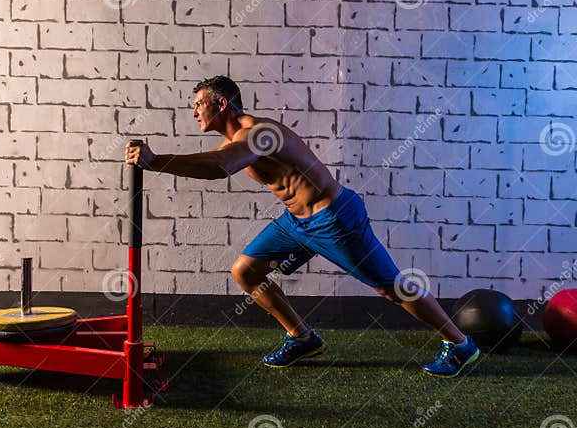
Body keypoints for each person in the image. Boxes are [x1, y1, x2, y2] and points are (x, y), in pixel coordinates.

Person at [124, 75, 480, 377]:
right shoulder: (234, 141)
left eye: (198, 103)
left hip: (335, 218)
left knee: (390, 288)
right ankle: (303, 337)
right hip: (297, 222)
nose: (193, 111)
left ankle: (460, 344)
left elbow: (220, 167)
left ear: (220, 103)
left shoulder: (258, 134)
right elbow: (219, 160)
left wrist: (156, 162)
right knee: (245, 271)